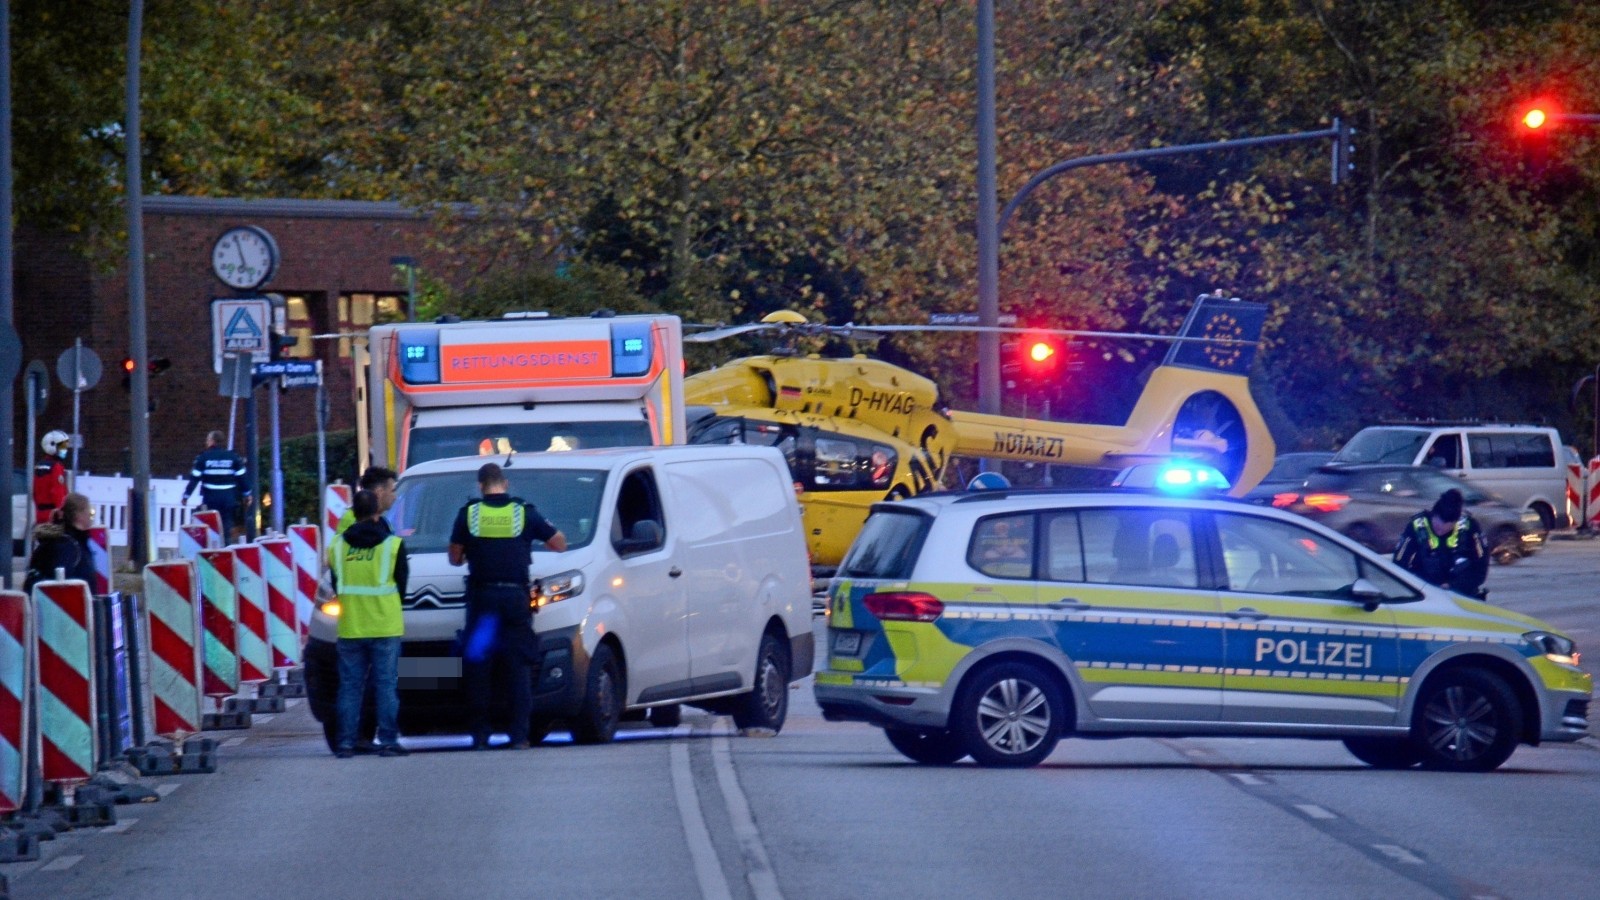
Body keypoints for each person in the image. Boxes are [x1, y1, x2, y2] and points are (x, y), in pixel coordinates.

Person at [448, 462, 567, 750]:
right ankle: (519, 736)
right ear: (506, 483)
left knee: (479, 667)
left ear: (480, 486)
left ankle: (480, 736)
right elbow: (559, 544)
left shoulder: (469, 514)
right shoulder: (524, 512)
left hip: (483, 601)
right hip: (515, 600)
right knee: (518, 667)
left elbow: (454, 557)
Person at [327, 489, 410, 759]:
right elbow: (402, 587)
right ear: (377, 513)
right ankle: (388, 741)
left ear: (355, 513)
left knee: (350, 687)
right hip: (385, 626)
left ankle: (346, 743)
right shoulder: (393, 545)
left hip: (351, 626)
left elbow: (338, 584)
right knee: (386, 685)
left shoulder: (338, 546)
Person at [1394, 488, 1489, 598]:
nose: (1440, 530)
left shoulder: (1469, 527)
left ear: (1455, 521)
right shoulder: (1418, 526)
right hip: (1426, 592)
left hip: (1461, 593)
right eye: (1437, 526)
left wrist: (1453, 586)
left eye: (1446, 527)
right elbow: (1399, 564)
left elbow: (1481, 568)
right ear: (1433, 514)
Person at [182, 430, 251, 540]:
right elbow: (242, 478)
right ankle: (226, 547)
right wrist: (247, 494)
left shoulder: (203, 458)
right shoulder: (233, 457)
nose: (206, 442)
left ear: (212, 441)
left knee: (210, 523)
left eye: (208, 440)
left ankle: (212, 549)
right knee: (227, 523)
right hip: (228, 497)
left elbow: (194, 479)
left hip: (211, 497)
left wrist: (186, 496)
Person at [24, 492, 95, 592]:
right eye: (90, 512)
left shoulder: (68, 541)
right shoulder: (66, 546)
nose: (91, 516)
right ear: (79, 515)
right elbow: (61, 589)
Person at [335, 466, 399, 534]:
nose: (395, 497)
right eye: (392, 491)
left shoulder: (382, 520)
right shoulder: (352, 521)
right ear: (379, 492)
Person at [33, 430, 70, 525]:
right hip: (54, 515)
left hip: (40, 513)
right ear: (53, 446)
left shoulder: (39, 466)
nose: (65, 450)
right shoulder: (56, 467)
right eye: (62, 447)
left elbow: (35, 491)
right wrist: (61, 510)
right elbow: (58, 492)